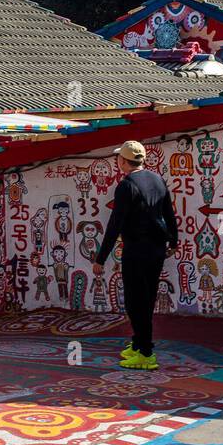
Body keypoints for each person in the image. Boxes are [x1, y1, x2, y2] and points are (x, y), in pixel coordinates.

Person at [92, 141, 178, 371]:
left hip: (136, 251)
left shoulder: (126, 186)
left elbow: (115, 224)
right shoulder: (157, 180)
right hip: (157, 249)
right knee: (146, 298)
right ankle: (139, 343)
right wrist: (174, 241)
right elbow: (169, 212)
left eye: (119, 158)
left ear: (123, 161)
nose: (117, 161)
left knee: (134, 302)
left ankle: (146, 354)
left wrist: (100, 258)